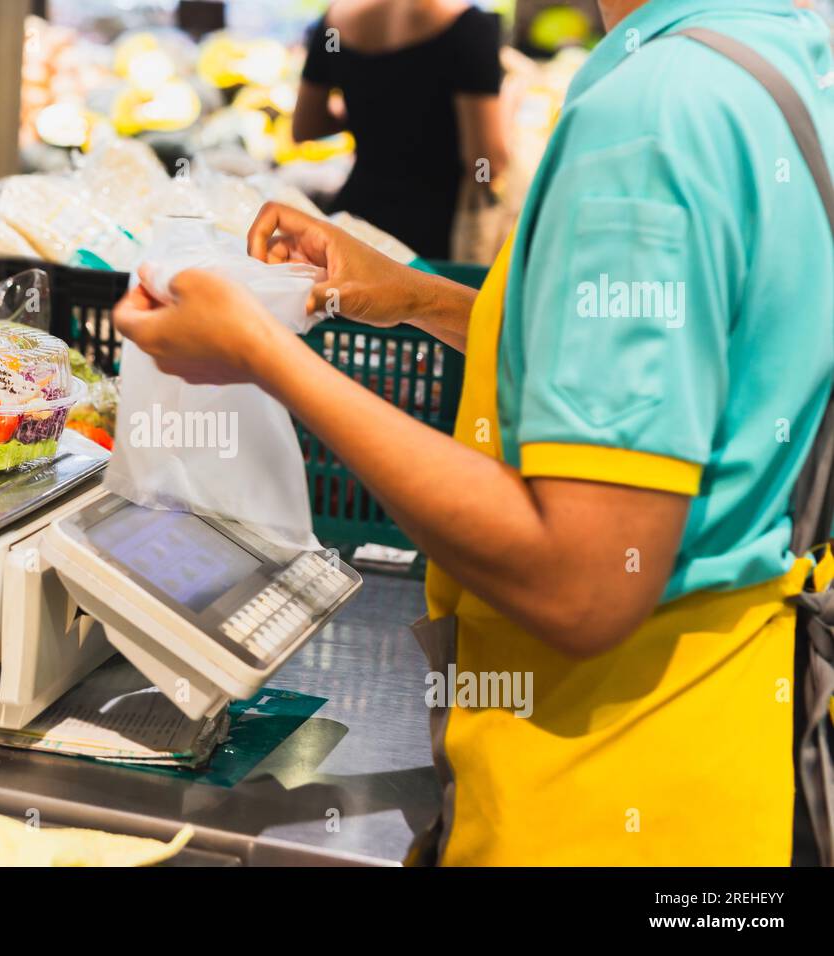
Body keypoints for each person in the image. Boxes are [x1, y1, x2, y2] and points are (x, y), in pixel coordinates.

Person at [114, 0, 834, 865]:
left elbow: (583, 581)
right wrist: (415, 295)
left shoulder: (649, 117)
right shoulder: (773, 61)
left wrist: (268, 357)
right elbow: (678, 361)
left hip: (591, 802)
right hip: (728, 769)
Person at [294, 0, 507, 259]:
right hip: (433, 236)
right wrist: (512, 97)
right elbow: (485, 164)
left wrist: (372, 108)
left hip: (357, 220)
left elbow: (304, 126)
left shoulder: (334, 21)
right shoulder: (468, 27)